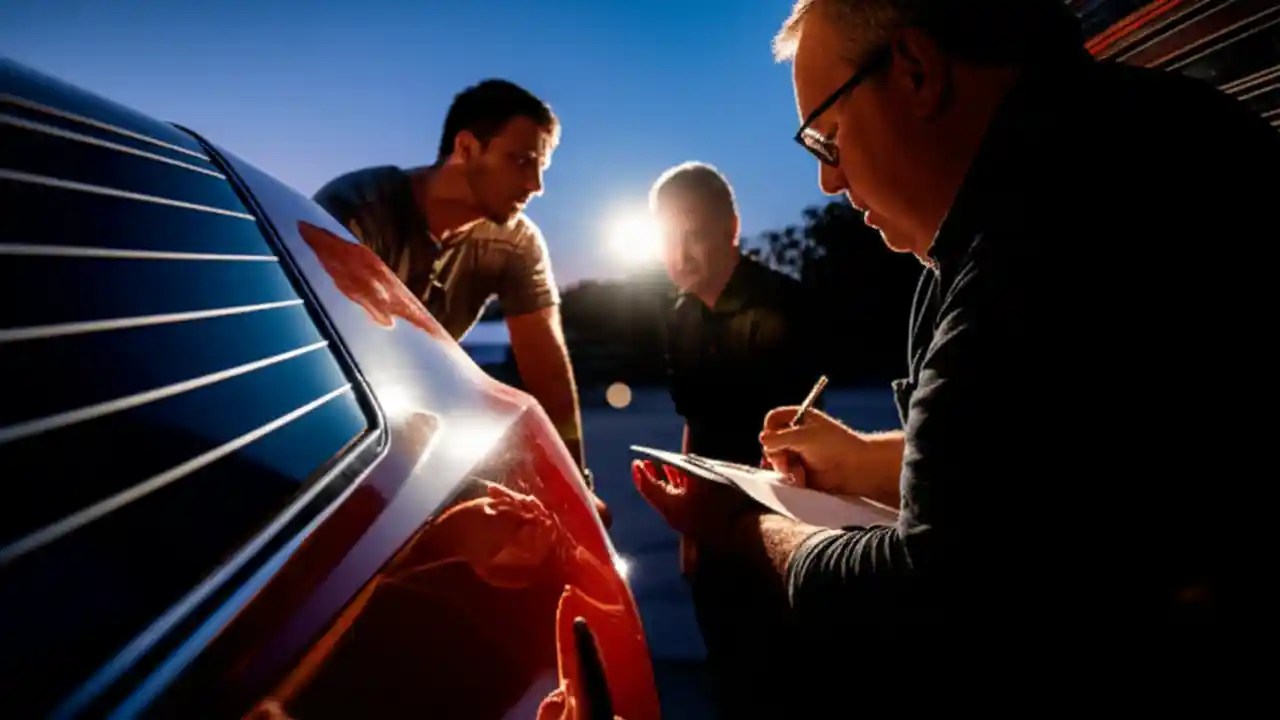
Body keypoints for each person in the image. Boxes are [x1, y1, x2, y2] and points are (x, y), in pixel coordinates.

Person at [631, 0, 1278, 703]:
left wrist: (749, 529)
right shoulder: (1146, 133)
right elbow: (1058, 461)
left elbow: (932, 601)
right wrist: (864, 459)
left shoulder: (1044, 231)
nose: (829, 181)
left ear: (914, 70)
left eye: (828, 138)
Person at [313, 79, 593, 488]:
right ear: (465, 149)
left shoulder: (517, 243)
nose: (536, 185)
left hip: (419, 427)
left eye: (541, 167)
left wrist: (576, 483)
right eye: (521, 161)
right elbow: (327, 360)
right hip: (330, 425)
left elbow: (547, 370)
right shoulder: (358, 210)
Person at [648, 161, 825, 717]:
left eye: (693, 232)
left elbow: (810, 435)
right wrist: (687, 521)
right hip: (710, 514)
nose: (679, 254)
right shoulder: (679, 317)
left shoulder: (784, 304)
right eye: (667, 236)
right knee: (726, 666)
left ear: (731, 227)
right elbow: (693, 420)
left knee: (785, 672)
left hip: (780, 517)